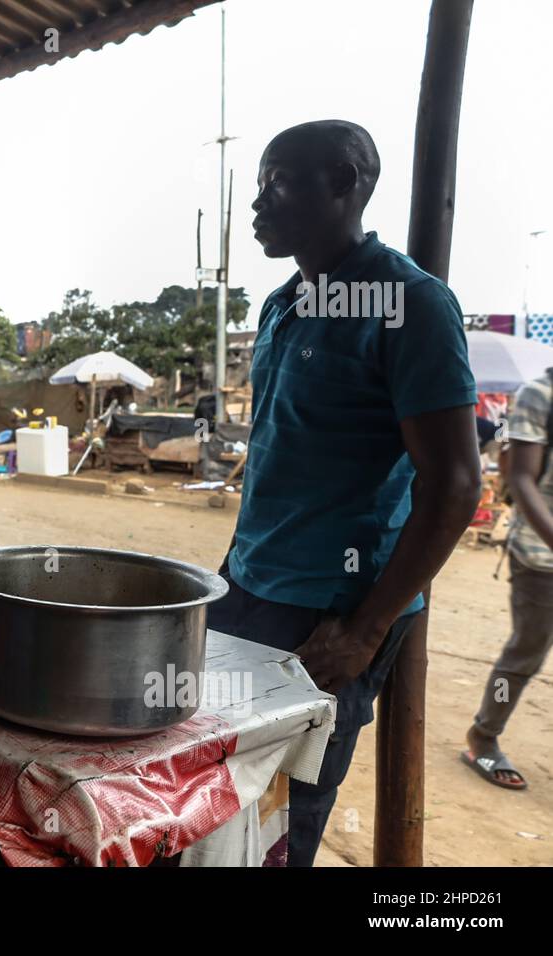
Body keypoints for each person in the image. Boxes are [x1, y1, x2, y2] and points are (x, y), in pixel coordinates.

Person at [210, 120, 479, 866]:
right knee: (217, 794)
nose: (259, 202)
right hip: (249, 588)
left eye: (279, 181)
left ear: (346, 184)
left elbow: (454, 487)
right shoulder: (282, 303)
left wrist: (365, 630)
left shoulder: (411, 304)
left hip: (329, 615)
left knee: (282, 823)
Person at [463, 370, 553, 789]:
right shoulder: (541, 393)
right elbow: (520, 479)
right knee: (525, 655)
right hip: (541, 553)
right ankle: (483, 737)